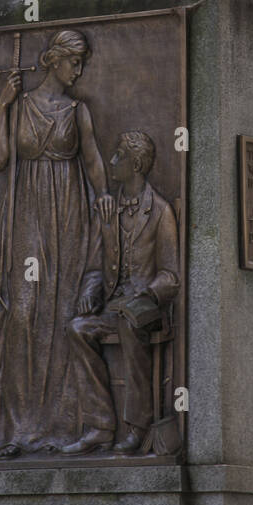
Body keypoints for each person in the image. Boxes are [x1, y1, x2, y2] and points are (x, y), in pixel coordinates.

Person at [0, 29, 114, 457]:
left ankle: (63, 424)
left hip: (68, 212)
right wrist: (2, 105)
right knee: (23, 313)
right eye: (74, 61)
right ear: (53, 60)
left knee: (61, 311)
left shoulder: (78, 111)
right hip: (27, 216)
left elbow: (92, 159)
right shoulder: (19, 106)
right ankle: (19, 425)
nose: (80, 69)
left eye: (83, 62)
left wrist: (104, 198)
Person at [63, 131, 179, 455]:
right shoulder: (109, 210)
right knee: (77, 329)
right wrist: (90, 292)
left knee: (130, 325)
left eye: (119, 156)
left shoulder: (161, 212)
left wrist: (147, 297)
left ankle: (138, 427)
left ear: (137, 164)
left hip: (148, 309)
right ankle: (101, 425)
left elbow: (171, 276)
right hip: (113, 307)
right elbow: (96, 268)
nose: (112, 162)